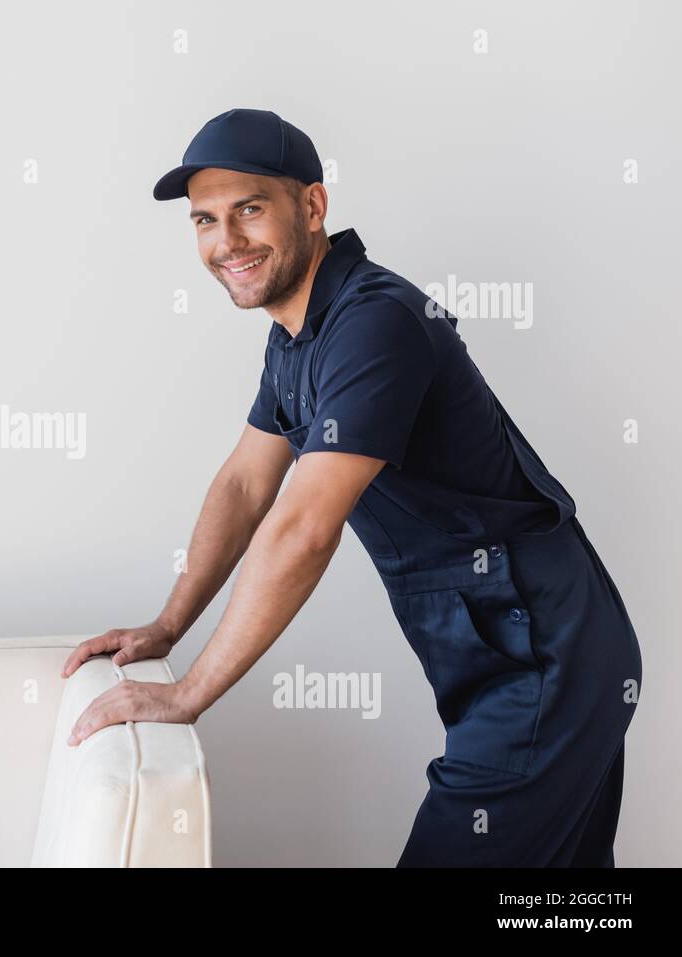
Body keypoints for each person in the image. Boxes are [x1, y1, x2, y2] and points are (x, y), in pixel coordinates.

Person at [61, 108, 643, 866]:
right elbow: (245, 484)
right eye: (205, 219)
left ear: (312, 206)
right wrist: (169, 626)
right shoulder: (296, 335)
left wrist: (188, 692)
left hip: (545, 651)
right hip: (509, 647)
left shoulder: (377, 323)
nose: (225, 241)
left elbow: (305, 526)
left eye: (249, 209)